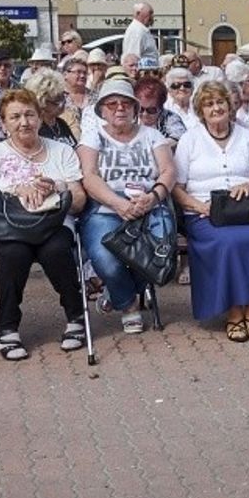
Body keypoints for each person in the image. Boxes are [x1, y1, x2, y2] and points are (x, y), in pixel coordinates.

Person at [0, 89, 89, 360]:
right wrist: (16, 189)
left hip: (54, 223)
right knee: (13, 254)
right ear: (3, 123)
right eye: (15, 117)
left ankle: (76, 318)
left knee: (56, 250)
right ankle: (7, 328)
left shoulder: (61, 151)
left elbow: (79, 202)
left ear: (40, 118)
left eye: (29, 114)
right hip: (10, 226)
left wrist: (56, 187)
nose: (23, 122)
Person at [172, 82, 249, 341]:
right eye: (209, 104)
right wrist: (198, 207)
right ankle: (234, 313)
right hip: (202, 212)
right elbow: (176, 189)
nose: (216, 108)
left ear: (229, 105)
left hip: (243, 211)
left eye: (220, 102)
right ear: (201, 111)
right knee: (226, 242)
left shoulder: (247, 137)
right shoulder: (190, 139)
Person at [77, 78, 177, 336]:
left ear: (135, 108)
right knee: (106, 261)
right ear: (102, 110)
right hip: (105, 206)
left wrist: (153, 198)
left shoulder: (153, 136)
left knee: (159, 252)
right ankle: (128, 303)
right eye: (112, 104)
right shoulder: (92, 138)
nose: (119, 108)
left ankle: (116, 291)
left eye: (125, 104)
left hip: (150, 203)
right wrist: (118, 203)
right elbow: (89, 177)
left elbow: (168, 171)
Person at [20, 68, 77, 148]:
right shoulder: (34, 128)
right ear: (42, 101)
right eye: (57, 100)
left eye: (63, 96)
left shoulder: (61, 124)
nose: (62, 102)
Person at [133, 76, 188, 142]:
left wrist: (159, 145)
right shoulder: (131, 118)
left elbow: (180, 136)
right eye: (140, 109)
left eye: (151, 110)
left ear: (161, 107)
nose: (145, 114)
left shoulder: (170, 118)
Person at [61, 52, 93, 139]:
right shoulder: (58, 98)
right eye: (78, 72)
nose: (82, 76)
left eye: (85, 73)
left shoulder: (95, 96)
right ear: (65, 75)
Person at [165, 67, 200, 132]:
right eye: (176, 85)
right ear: (169, 90)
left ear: (192, 88)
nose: (182, 88)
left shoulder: (200, 106)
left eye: (187, 85)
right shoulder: (164, 109)